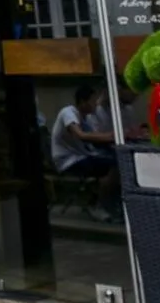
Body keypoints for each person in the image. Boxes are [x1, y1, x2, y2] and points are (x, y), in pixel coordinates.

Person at [50, 85, 121, 221]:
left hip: (82, 156)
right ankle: (97, 203)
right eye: (93, 101)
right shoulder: (68, 112)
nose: (95, 105)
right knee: (113, 165)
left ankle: (103, 198)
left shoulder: (85, 118)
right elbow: (81, 135)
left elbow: (96, 137)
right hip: (68, 161)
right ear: (83, 102)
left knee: (114, 160)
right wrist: (111, 136)